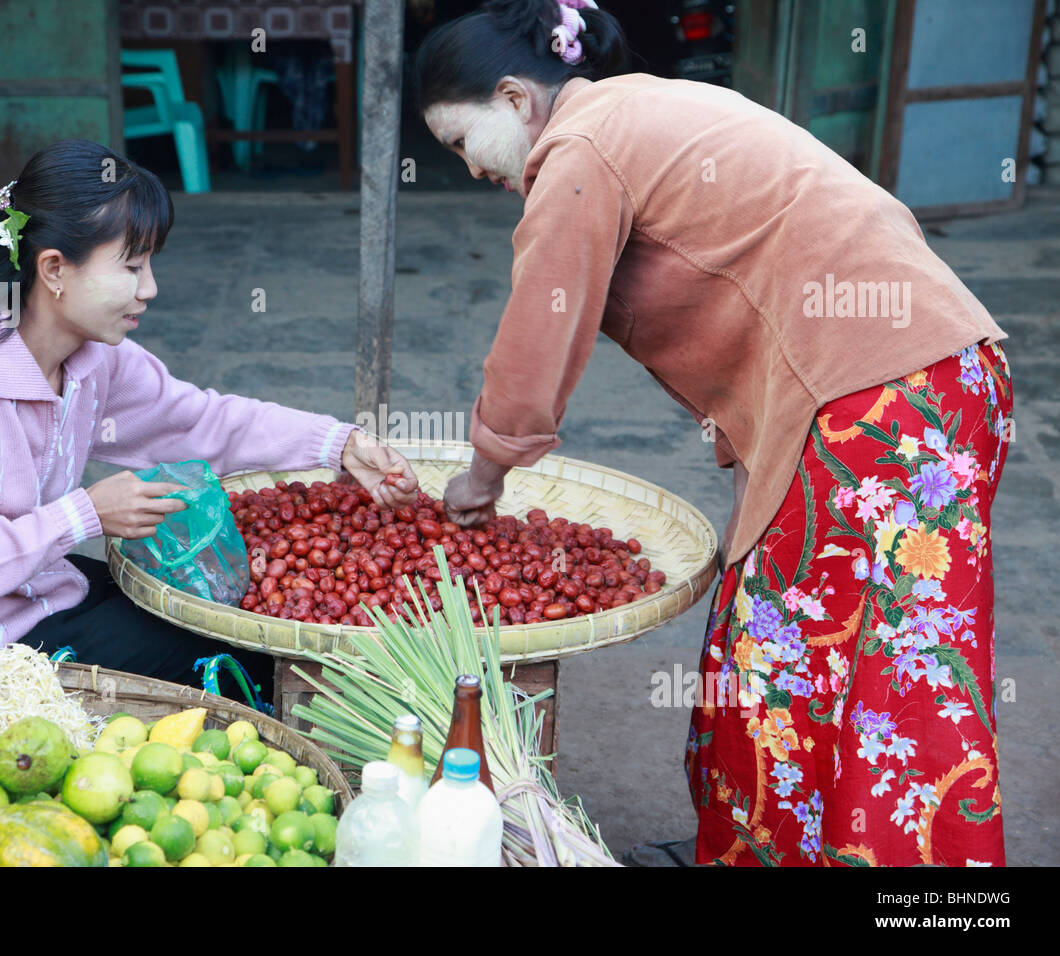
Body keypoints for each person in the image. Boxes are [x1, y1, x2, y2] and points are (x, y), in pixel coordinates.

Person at [415, 0, 1009, 866]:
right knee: (769, 646)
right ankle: (758, 852)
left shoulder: (581, 148)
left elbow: (542, 325)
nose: (470, 170)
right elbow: (754, 289)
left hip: (889, 404)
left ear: (514, 98)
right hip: (917, 388)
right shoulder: (639, 111)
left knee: (895, 683)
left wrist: (487, 468)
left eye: (463, 144)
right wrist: (750, 473)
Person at [0, 138, 418, 703]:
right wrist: (83, 513)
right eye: (132, 267)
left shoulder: (92, 359)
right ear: (54, 270)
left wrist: (336, 443)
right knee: (236, 665)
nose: (149, 289)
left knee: (236, 623)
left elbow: (201, 422)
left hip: (27, 596)